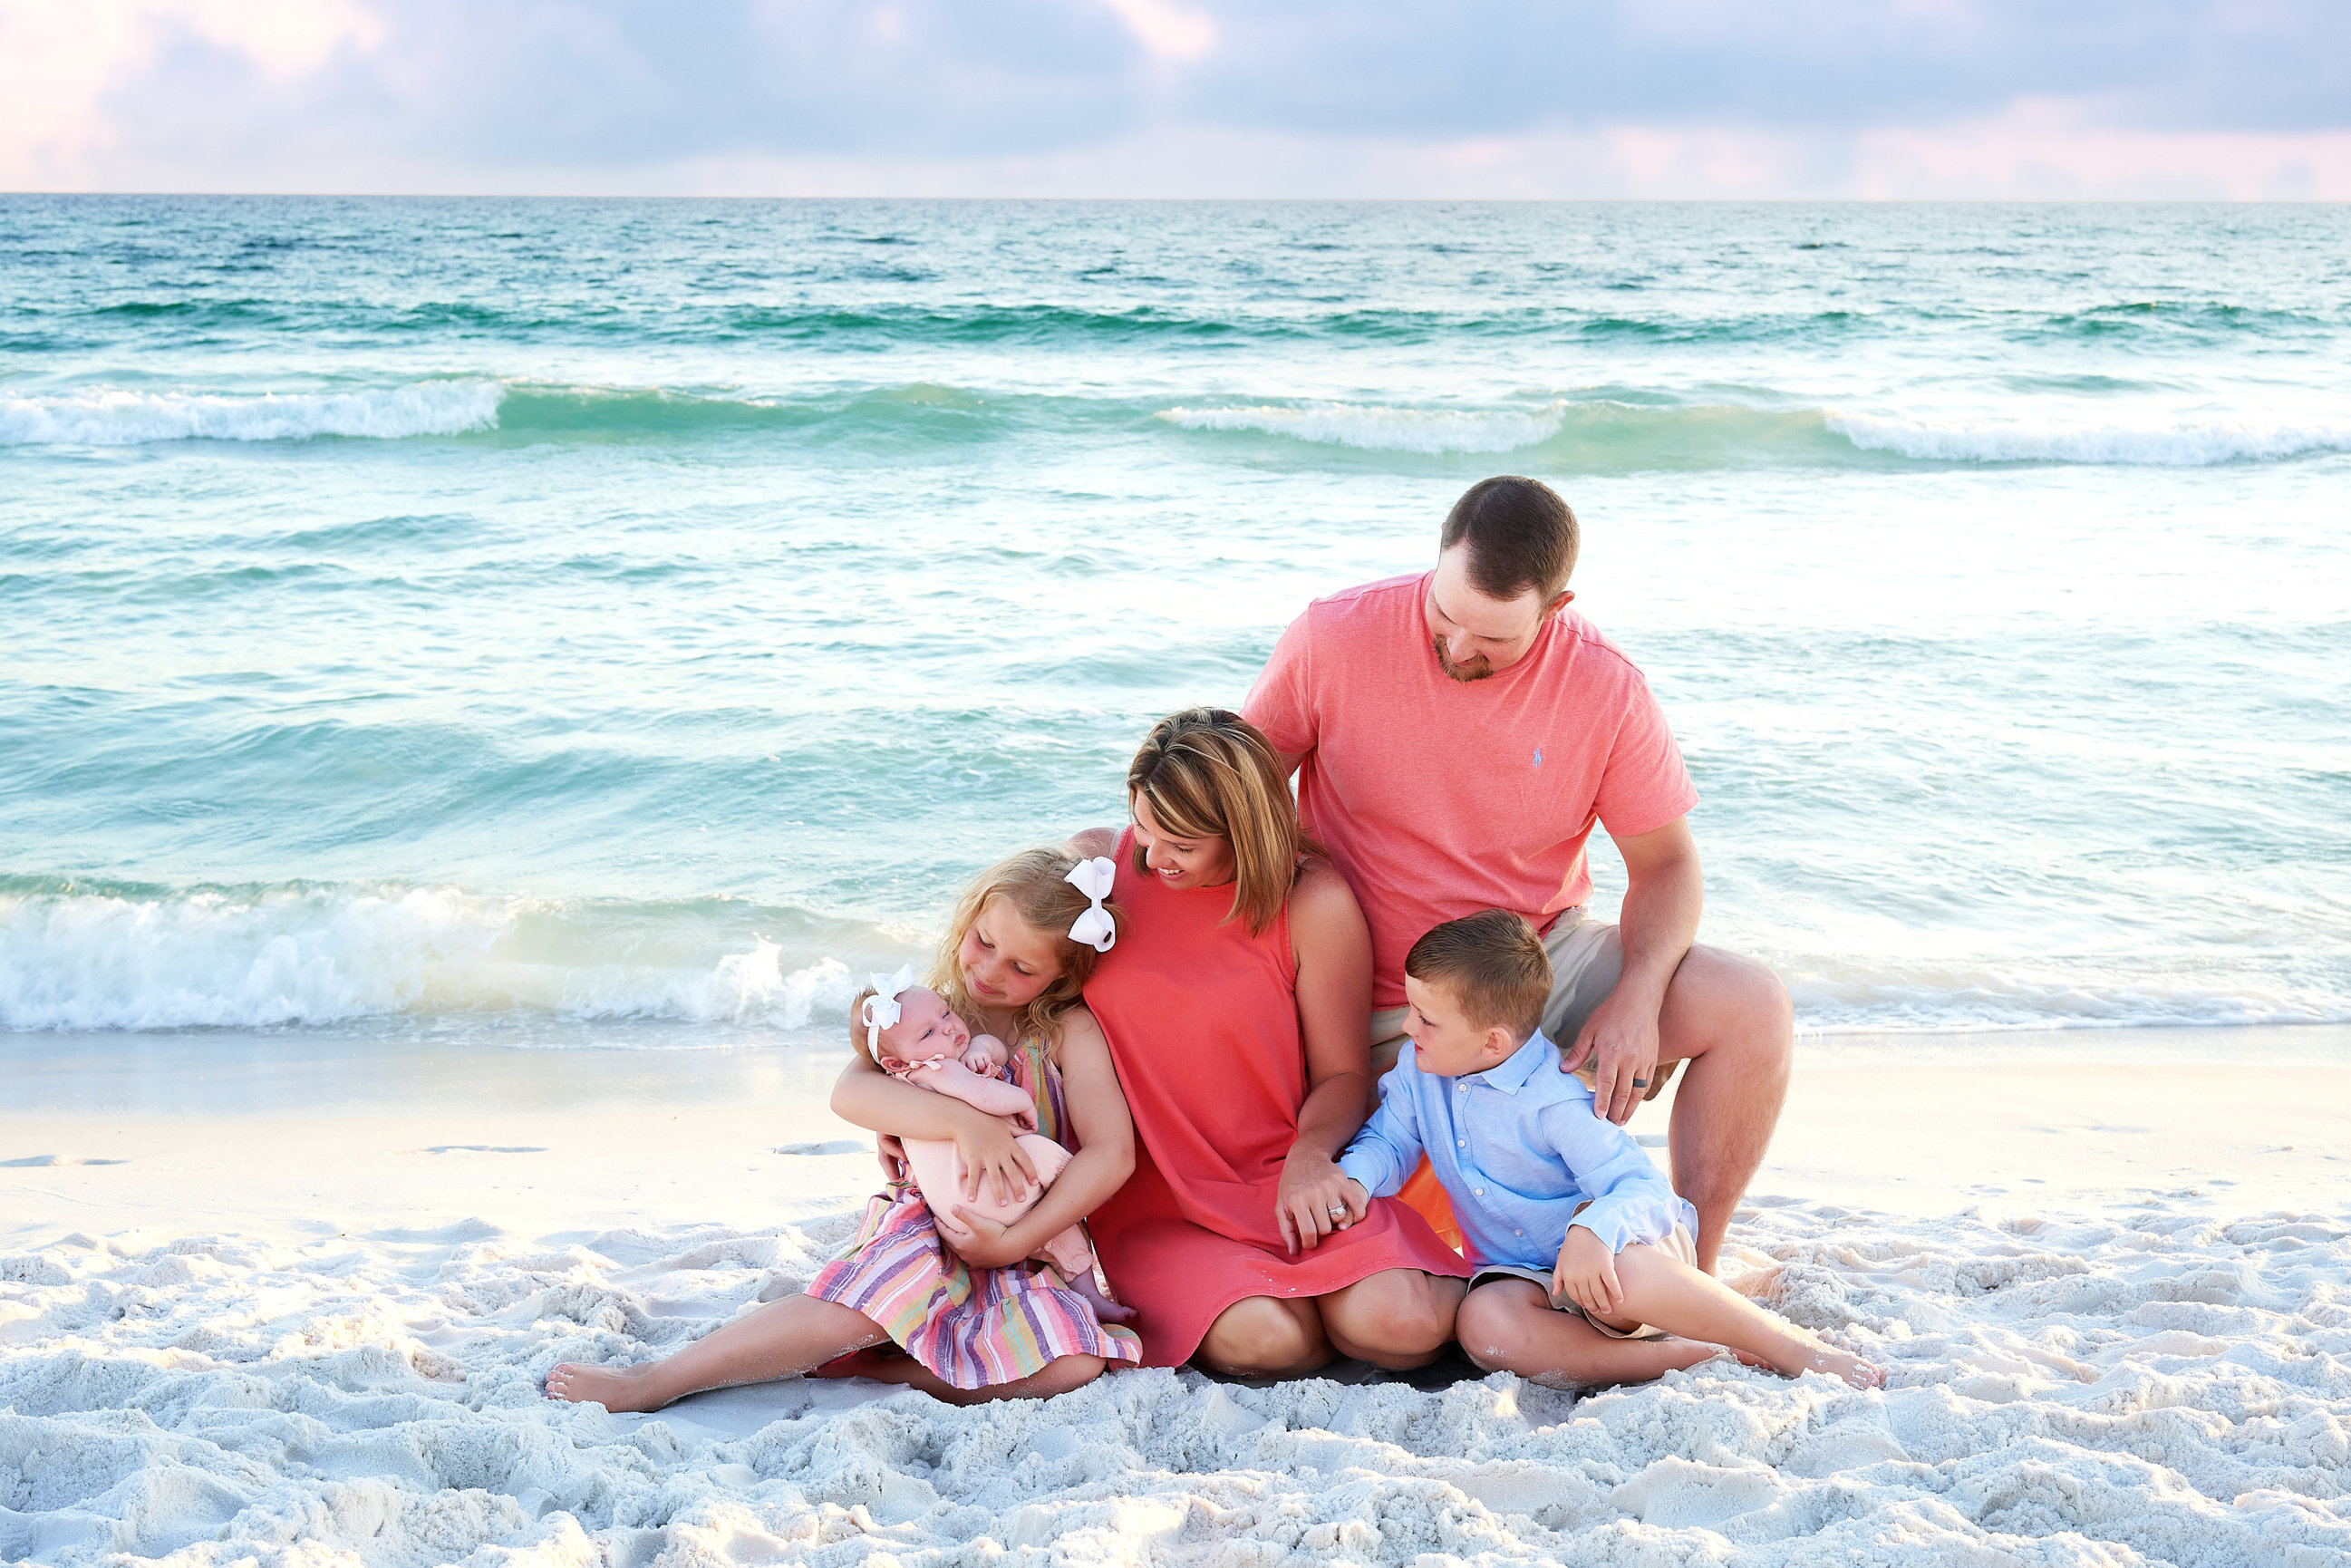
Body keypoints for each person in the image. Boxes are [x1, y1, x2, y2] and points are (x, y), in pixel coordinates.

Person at [1243, 474, 1793, 1273]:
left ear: (1556, 609)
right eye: (1445, 616)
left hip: (1532, 975)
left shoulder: (1604, 685)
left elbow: (1668, 865)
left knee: (1751, 1006)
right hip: (1357, 987)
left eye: (1494, 639)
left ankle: (1689, 1272)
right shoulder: (1332, 637)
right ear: (1433, 565)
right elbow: (1236, 796)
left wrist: (1638, 998)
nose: (1459, 649)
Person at [544, 847, 1142, 1410]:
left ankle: (873, 1369)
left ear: (1064, 974)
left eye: (1022, 967)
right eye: (983, 942)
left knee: (1077, 1363)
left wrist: (1014, 1242)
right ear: (971, 915)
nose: (989, 971)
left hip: (1033, 1237)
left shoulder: (1068, 1031)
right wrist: (963, 1123)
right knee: (864, 1307)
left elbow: (1110, 1154)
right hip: (931, 1218)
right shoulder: (924, 1011)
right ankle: (655, 1380)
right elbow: (851, 1091)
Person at [1077, 708, 1470, 1378]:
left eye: (1180, 842)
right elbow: (997, 975)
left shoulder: (1312, 902)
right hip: (1155, 1197)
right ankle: (1306, 1315)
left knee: (1401, 1322)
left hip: (1282, 1174)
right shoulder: (1095, 873)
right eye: (1143, 824)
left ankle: (1343, 1307)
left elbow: (1344, 1074)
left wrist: (1312, 1157)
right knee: (1267, 1340)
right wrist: (916, 1080)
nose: (1151, 854)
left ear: (1242, 831)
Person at [1340, 911, 1882, 1389]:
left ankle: (1789, 1347)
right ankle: (1690, 1356)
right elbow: (1389, 1139)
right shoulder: (1420, 1072)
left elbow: (1643, 1189)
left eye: (1425, 1019)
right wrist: (1355, 1179)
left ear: (1493, 1044)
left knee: (1629, 1279)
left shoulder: (1553, 1100)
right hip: (1529, 1276)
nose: (1408, 1028)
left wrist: (1593, 1231)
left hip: (1623, 1252)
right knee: (1483, 1327)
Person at [850, 954, 1132, 1324]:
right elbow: (988, 1099)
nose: (949, 1029)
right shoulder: (938, 1069)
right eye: (929, 1033)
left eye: (946, 1013)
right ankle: (1089, 1288)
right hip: (985, 1186)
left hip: (962, 1208)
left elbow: (989, 1049)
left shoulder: (908, 1081)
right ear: (898, 1064)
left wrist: (982, 1050)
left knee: (1056, 1228)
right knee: (1047, 1168)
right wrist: (1021, 1102)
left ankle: (1089, 1295)